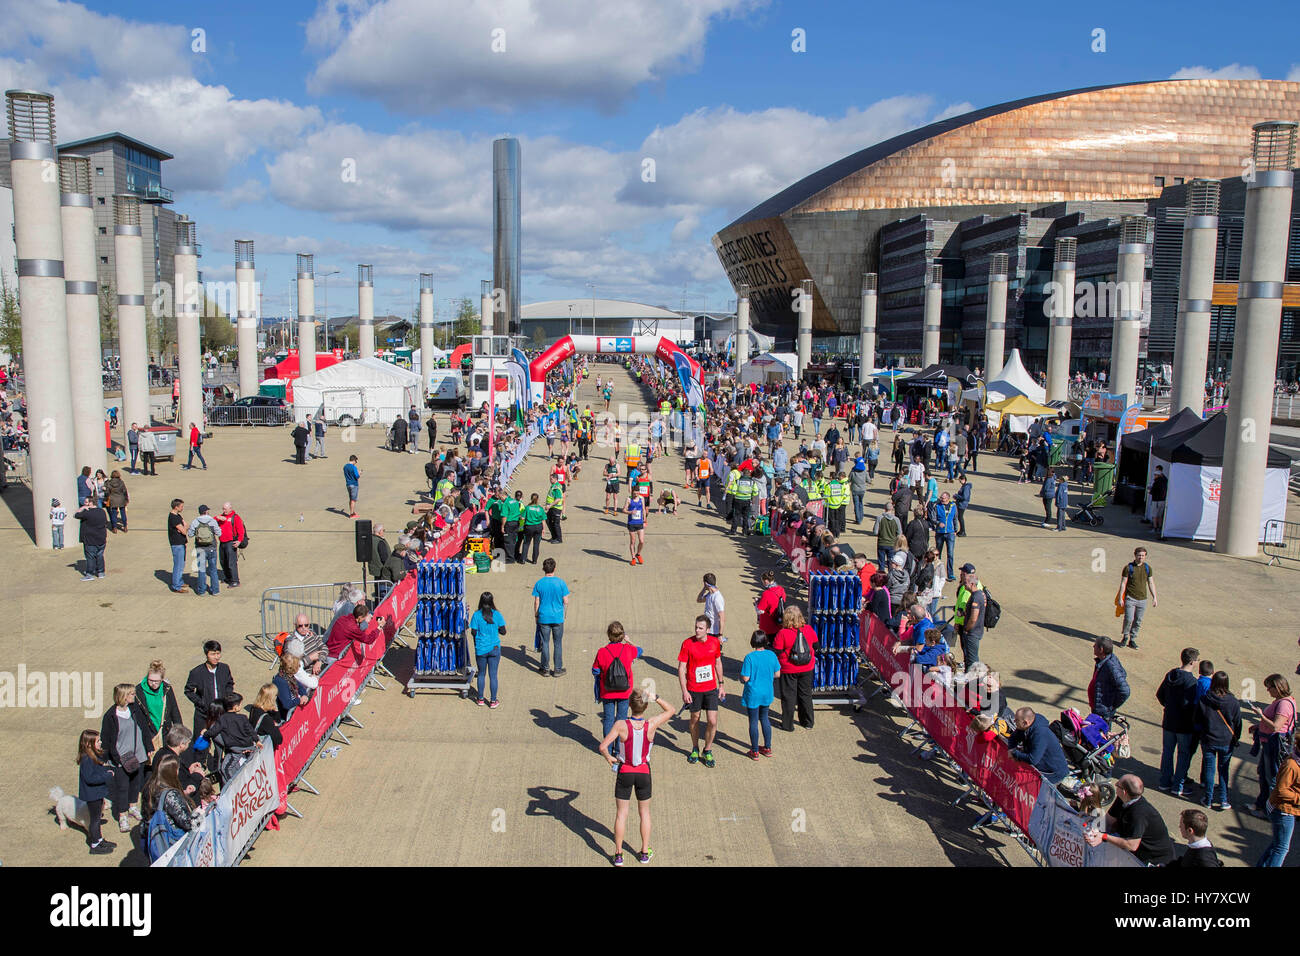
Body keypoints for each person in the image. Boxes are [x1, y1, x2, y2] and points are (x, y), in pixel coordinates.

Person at [598, 688, 675, 866]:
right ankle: (644, 852)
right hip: (643, 773)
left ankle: (618, 854)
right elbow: (671, 710)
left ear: (630, 706)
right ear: (645, 707)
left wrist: (609, 758)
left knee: (621, 814)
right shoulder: (652, 724)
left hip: (625, 771)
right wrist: (656, 697)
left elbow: (603, 747)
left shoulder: (621, 725)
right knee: (644, 813)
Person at [1085, 774, 1176, 865]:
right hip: (1137, 853)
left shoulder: (1139, 813)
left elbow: (1132, 845)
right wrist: (1092, 821)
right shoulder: (1122, 799)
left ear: (1124, 792)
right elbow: (1108, 821)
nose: (1115, 783)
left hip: (1154, 859)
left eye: (1118, 785)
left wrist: (1104, 837)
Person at [100, 683, 154, 833]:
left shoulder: (135, 709)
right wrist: (115, 759)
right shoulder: (110, 716)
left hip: (138, 754)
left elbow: (144, 728)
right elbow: (107, 739)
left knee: (136, 784)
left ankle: (132, 807)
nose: (134, 696)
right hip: (121, 758)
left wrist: (148, 747)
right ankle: (122, 815)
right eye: (131, 694)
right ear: (123, 696)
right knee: (122, 787)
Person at [1246, 674, 1296, 819]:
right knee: (1263, 773)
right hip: (1270, 743)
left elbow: (1276, 726)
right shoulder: (1281, 701)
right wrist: (1259, 726)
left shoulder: (1284, 704)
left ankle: (1271, 811)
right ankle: (1261, 803)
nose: (1268, 690)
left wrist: (1260, 715)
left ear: (1278, 687)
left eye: (1269, 687)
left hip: (1274, 745)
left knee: (1272, 778)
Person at [678, 615, 725, 767]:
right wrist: (685, 691)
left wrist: (721, 684)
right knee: (694, 719)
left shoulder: (714, 643)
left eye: (700, 628)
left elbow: (718, 663)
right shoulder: (687, 644)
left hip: (710, 688)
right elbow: (681, 668)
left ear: (708, 630)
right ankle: (694, 748)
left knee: (712, 721)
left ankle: (708, 749)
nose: (697, 630)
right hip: (694, 689)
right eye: (696, 627)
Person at [1156, 646, 1200, 797]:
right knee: (1183, 755)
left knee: (1167, 752)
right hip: (1184, 725)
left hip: (1168, 721)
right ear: (1193, 662)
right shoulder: (1192, 683)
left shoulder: (1171, 675)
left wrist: (1169, 707)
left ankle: (1164, 781)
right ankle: (1178, 785)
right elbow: (1193, 706)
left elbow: (1160, 694)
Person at [1196, 670, 1241, 811]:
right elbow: (1238, 722)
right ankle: (1223, 800)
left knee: (1209, 770)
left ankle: (1208, 799)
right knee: (1223, 770)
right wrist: (1236, 737)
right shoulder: (1233, 702)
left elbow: (1197, 719)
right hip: (1226, 741)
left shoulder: (1205, 699)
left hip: (1209, 739)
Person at [593, 621, 641, 741]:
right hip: (624, 691)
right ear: (622, 635)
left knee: (608, 719)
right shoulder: (628, 649)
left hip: (607, 691)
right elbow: (640, 650)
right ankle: (620, 749)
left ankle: (608, 748)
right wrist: (628, 641)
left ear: (608, 635)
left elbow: (595, 670)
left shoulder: (602, 651)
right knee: (622, 720)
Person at [773, 606, 819, 732]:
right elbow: (816, 645)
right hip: (807, 667)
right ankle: (808, 721)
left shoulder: (782, 633)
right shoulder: (808, 629)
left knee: (788, 696)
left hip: (788, 668)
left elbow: (776, 651)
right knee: (805, 694)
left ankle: (787, 724)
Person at [1257, 736, 1300, 866]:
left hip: (1284, 809)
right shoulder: (1292, 765)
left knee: (1277, 844)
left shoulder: (1296, 762)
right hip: (1283, 810)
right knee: (1281, 848)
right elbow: (1281, 790)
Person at [741, 630, 781, 758]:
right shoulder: (772, 655)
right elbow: (777, 674)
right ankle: (768, 747)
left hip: (753, 694)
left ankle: (755, 750)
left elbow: (745, 678)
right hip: (767, 692)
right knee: (764, 718)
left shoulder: (750, 657)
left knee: (753, 721)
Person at [1006, 706, 1070, 785]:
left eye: (1016, 720)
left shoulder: (1040, 734)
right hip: (1041, 769)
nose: (1014, 721)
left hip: (1053, 773)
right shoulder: (1026, 726)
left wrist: (1015, 753)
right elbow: (1013, 738)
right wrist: (1011, 749)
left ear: (1026, 722)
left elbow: (1033, 759)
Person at [76, 730, 117, 854]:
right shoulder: (87, 759)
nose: (100, 742)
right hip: (92, 795)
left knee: (97, 819)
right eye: (98, 741)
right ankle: (95, 844)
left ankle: (99, 839)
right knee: (95, 820)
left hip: (96, 793)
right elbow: (90, 778)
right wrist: (107, 775)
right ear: (89, 744)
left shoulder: (92, 756)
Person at [184, 641, 235, 739]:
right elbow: (188, 691)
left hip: (222, 711)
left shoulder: (224, 668)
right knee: (201, 743)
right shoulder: (197, 672)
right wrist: (201, 703)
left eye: (218, 653)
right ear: (206, 655)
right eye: (213, 654)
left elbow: (230, 683)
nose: (216, 657)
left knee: (224, 740)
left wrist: (227, 697)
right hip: (204, 714)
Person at [532, 557, 570, 676]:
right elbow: (566, 601)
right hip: (558, 617)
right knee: (557, 643)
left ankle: (545, 668)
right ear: (555, 568)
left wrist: (536, 615)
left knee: (545, 643)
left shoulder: (539, 583)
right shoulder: (561, 582)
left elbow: (537, 601)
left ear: (543, 568)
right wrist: (564, 614)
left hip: (544, 617)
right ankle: (558, 669)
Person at [470, 592, 506, 708]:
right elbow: (503, 631)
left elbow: (473, 632)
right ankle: (493, 701)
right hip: (494, 648)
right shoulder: (497, 615)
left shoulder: (476, 615)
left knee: (481, 674)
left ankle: (480, 699)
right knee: (493, 675)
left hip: (481, 649)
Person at [1117, 547, 1157, 649]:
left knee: (1138, 620)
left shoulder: (1148, 568)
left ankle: (1132, 639)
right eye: (1139, 555)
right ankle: (1125, 636)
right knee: (1129, 619)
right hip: (1130, 598)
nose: (1141, 557)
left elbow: (1151, 583)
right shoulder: (1128, 568)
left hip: (1143, 599)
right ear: (1135, 555)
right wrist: (1121, 598)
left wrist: (1155, 597)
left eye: (1143, 556)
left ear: (1145, 556)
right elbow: (1123, 583)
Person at [136, 661, 183, 746]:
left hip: (165, 731)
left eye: (157, 681)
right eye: (150, 680)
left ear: (162, 679)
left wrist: (179, 731)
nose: (153, 683)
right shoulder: (138, 691)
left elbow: (174, 710)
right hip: (148, 732)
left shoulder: (167, 688)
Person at [1089, 637, 1130, 722]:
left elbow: (1125, 691)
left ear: (1101, 649)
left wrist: (1111, 706)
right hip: (1098, 709)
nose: (1093, 646)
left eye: (1095, 645)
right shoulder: (1103, 661)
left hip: (1103, 713)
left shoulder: (1110, 666)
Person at [188, 504, 222, 596]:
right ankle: (215, 590)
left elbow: (190, 534)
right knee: (213, 570)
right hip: (212, 548)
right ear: (206, 511)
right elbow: (219, 533)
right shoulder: (212, 521)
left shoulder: (195, 521)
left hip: (200, 548)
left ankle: (202, 591)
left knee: (201, 570)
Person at [74, 496, 108, 581]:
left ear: (90, 503)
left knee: (90, 557)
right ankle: (101, 572)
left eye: (86, 502)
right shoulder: (102, 511)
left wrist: (82, 508)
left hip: (90, 539)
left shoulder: (87, 513)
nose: (84, 504)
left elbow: (76, 515)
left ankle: (90, 573)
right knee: (99, 555)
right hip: (101, 538)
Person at [216, 501, 246, 588]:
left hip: (231, 542)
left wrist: (239, 541)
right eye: (223, 509)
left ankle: (235, 580)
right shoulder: (221, 517)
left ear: (230, 509)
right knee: (223, 561)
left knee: (231, 562)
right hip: (222, 542)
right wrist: (217, 517)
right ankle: (228, 578)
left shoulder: (235, 517)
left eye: (225, 509)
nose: (224, 510)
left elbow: (241, 530)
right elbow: (213, 521)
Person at [755, 569, 786, 640]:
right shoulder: (781, 590)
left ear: (766, 581)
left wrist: (756, 603)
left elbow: (760, 611)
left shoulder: (766, 594)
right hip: (779, 623)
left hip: (768, 625)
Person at [697, 572, 726, 645]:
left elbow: (722, 618)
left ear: (706, 583)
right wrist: (704, 589)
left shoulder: (717, 598)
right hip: (708, 630)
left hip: (714, 632)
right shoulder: (710, 594)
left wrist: (720, 635)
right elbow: (699, 600)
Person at [517, 492, 546, 564]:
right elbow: (543, 520)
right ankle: (534, 560)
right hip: (538, 527)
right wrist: (544, 529)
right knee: (536, 544)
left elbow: (523, 518)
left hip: (529, 527)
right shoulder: (540, 509)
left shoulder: (527, 508)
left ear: (531, 499)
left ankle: (523, 559)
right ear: (538, 499)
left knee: (526, 543)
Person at [625, 487, 646, 565]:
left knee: (641, 541)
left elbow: (643, 509)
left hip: (640, 523)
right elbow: (624, 510)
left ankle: (638, 554)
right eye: (634, 493)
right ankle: (633, 558)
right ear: (632, 492)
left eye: (637, 492)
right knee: (633, 541)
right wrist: (630, 512)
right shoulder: (629, 499)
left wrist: (645, 520)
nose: (636, 494)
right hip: (631, 523)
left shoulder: (642, 498)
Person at [1148, 464, 1168, 534]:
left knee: (1155, 515)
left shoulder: (1156, 482)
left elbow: (1152, 492)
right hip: (1162, 500)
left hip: (1156, 500)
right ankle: (1159, 527)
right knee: (1159, 515)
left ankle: (1155, 528)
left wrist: (1150, 490)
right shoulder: (1165, 480)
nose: (1154, 476)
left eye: (1155, 475)